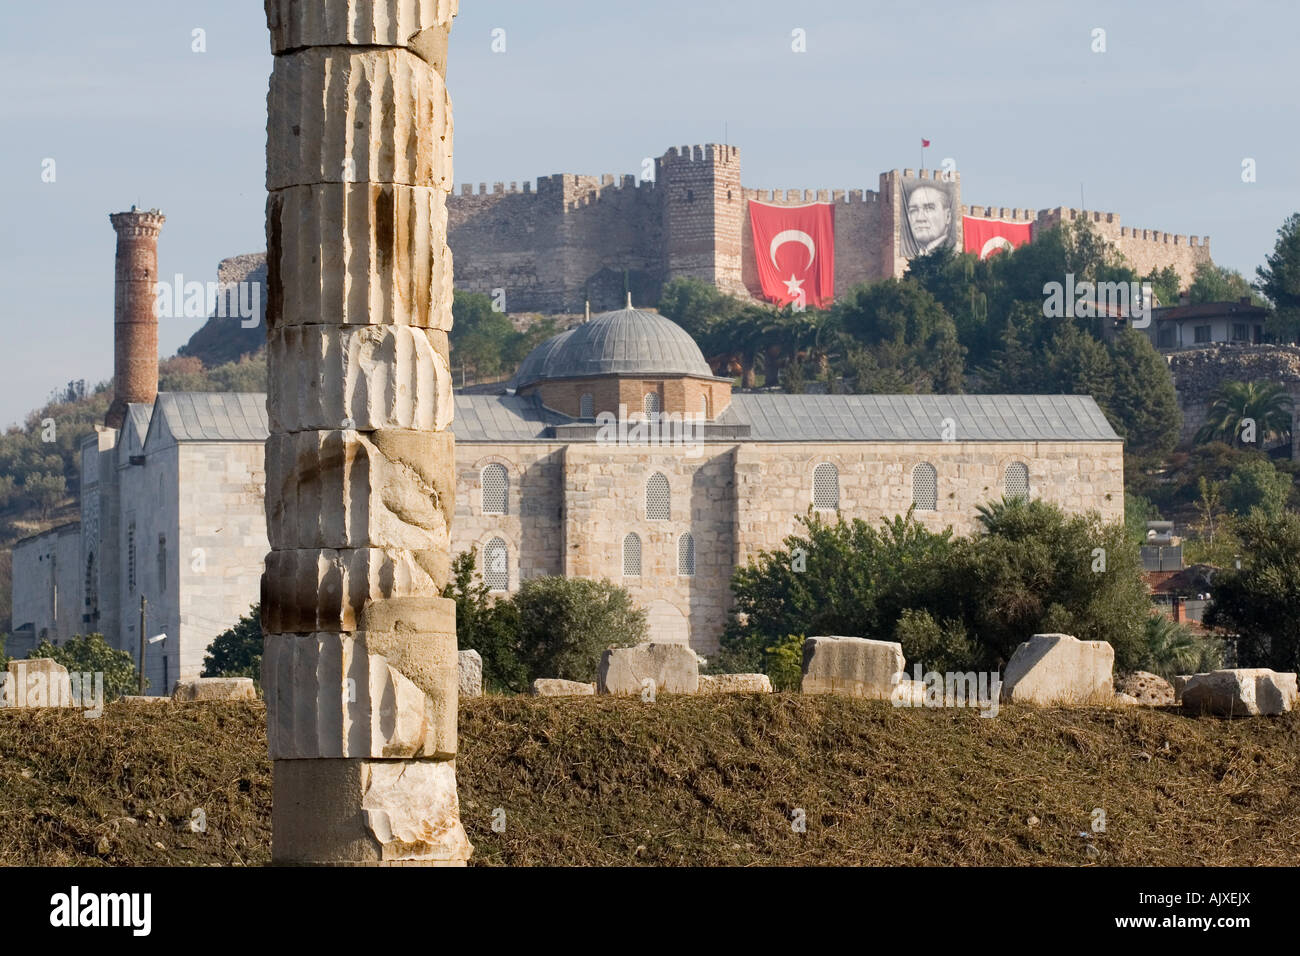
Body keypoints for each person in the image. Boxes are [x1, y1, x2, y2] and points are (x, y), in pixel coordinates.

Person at [904, 183, 954, 256]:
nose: (920, 218)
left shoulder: (950, 253)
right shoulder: (921, 252)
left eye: (929, 209)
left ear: (948, 216)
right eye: (913, 210)